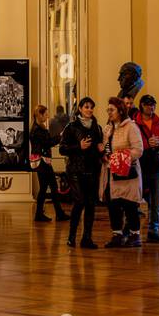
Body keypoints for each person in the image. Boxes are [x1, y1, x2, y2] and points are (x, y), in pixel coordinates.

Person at [100, 96, 144, 248]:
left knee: (130, 205)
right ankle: (117, 235)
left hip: (128, 174)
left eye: (111, 110)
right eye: (108, 110)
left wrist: (120, 158)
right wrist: (104, 154)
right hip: (112, 174)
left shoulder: (131, 127)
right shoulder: (108, 128)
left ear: (120, 111)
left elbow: (138, 150)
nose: (109, 112)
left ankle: (135, 235)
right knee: (114, 205)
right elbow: (106, 149)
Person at [59, 96, 102, 248]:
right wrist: (79, 146)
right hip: (76, 170)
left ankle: (87, 238)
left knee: (90, 204)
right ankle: (71, 236)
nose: (89, 110)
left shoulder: (97, 127)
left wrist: (101, 150)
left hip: (92, 170)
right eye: (86, 107)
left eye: (91, 107)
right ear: (80, 109)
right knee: (80, 201)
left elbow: (99, 148)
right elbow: (62, 148)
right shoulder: (71, 127)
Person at [133, 94, 159, 244]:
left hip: (157, 167)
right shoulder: (134, 124)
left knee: (157, 201)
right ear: (141, 106)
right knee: (135, 200)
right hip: (140, 167)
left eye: (153, 104)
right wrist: (146, 144)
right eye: (147, 104)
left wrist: (158, 142)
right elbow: (131, 144)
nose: (150, 107)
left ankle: (153, 231)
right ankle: (132, 230)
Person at [30, 105, 68, 223]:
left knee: (49, 187)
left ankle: (52, 213)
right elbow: (48, 143)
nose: (47, 116)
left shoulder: (37, 128)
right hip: (42, 162)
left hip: (41, 161)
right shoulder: (37, 130)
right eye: (46, 114)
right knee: (47, 187)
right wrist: (60, 136)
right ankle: (45, 214)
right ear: (40, 115)